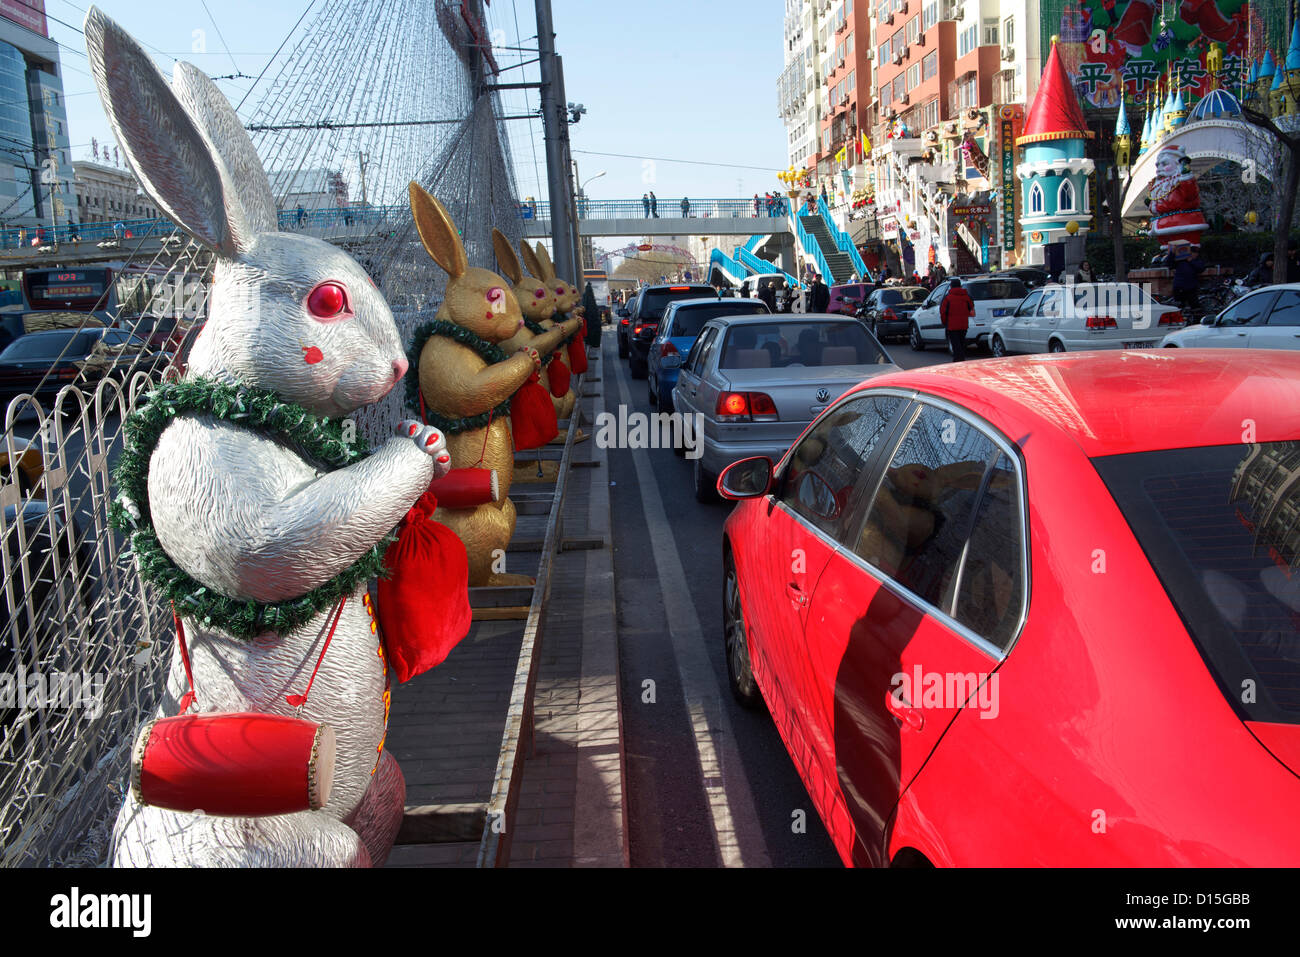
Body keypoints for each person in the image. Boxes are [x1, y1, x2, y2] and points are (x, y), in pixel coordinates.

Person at [940, 277, 974, 363]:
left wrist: (944, 323)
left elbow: (943, 312)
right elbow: (971, 309)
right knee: (961, 343)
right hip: (963, 324)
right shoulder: (967, 297)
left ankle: (958, 360)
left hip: (952, 325)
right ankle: (961, 359)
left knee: (955, 345)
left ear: (951, 286)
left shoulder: (947, 298)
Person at [1170, 246, 1207, 313]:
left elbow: (1201, 268)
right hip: (1179, 287)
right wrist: (1172, 253)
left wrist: (1191, 261)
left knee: (1196, 307)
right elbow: (1169, 263)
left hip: (1191, 288)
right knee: (1179, 307)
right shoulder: (1181, 261)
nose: (1195, 254)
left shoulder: (1197, 261)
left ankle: (1196, 320)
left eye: (1196, 253)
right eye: (1193, 253)